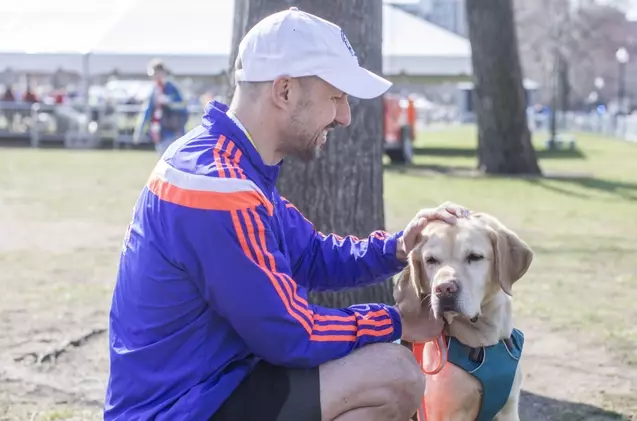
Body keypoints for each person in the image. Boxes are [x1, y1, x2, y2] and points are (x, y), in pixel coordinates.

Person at [105, 7, 469, 421]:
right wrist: (397, 321)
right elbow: (293, 335)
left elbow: (310, 255)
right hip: (183, 407)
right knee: (394, 374)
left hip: (207, 388)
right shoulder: (219, 188)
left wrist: (399, 248)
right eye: (335, 96)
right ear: (284, 91)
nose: (345, 116)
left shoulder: (222, 159)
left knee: (387, 373)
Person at [133, 58, 188, 155]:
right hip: (161, 134)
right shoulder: (154, 90)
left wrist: (170, 103)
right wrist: (139, 131)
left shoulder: (172, 88)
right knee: (163, 164)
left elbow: (184, 107)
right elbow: (147, 111)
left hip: (176, 133)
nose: (154, 77)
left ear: (162, 72)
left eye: (155, 73)